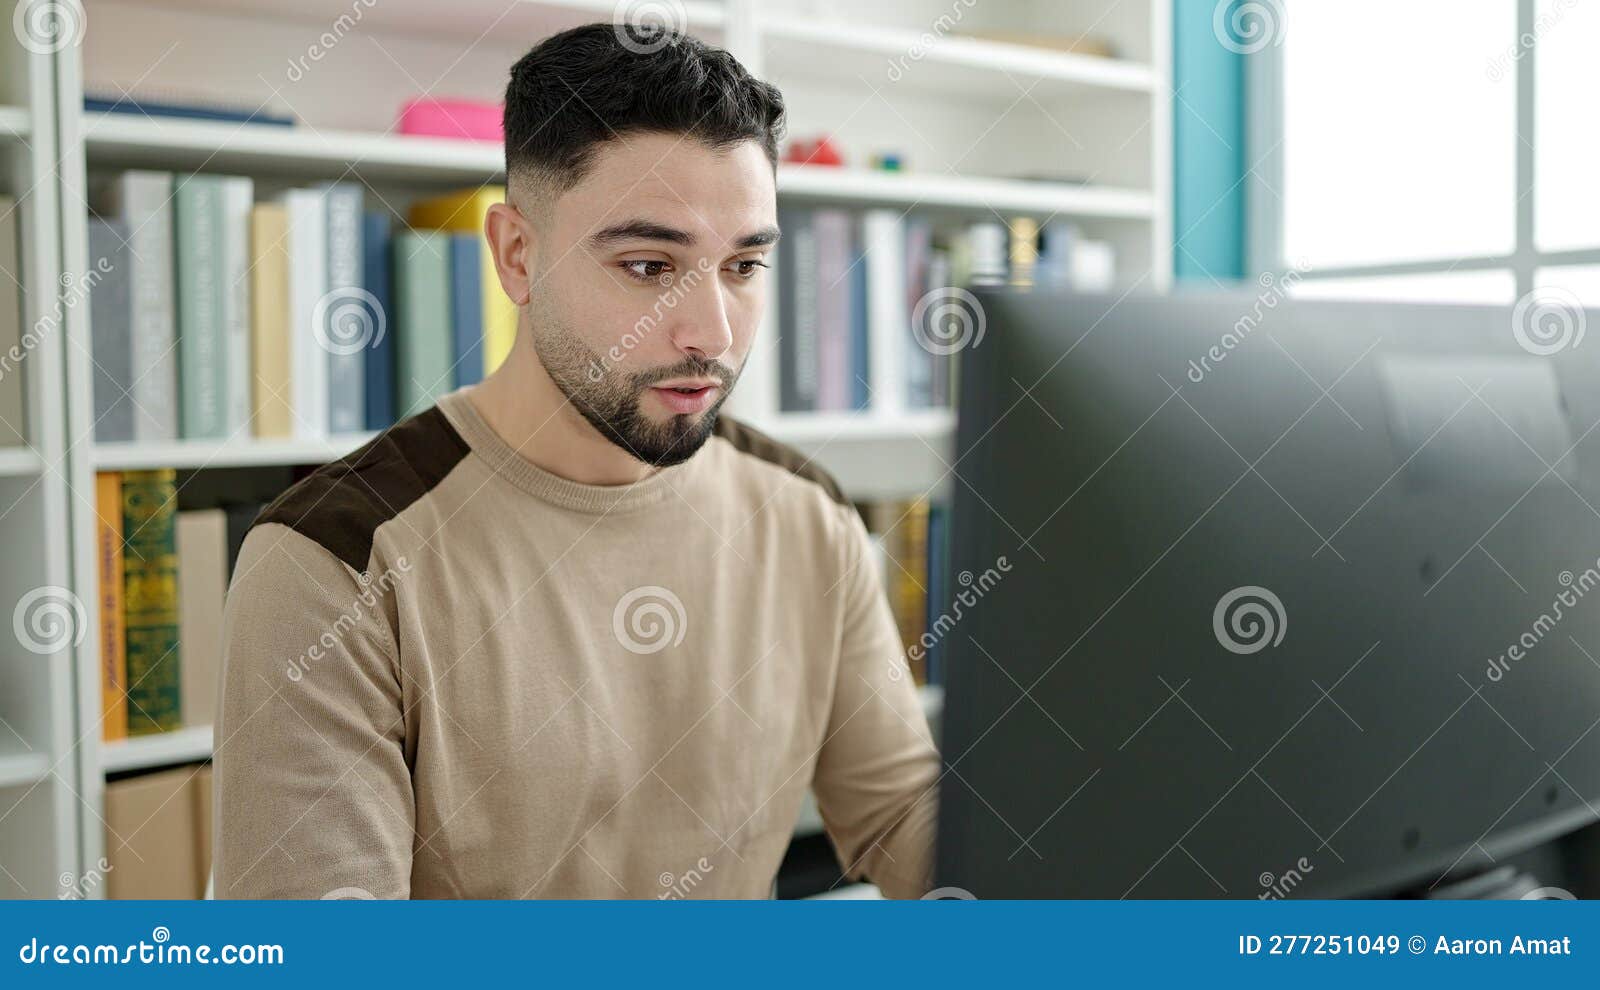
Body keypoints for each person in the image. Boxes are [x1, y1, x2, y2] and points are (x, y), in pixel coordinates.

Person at [213, 22, 938, 899]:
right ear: (517, 256)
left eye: (743, 266)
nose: (712, 334)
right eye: (649, 265)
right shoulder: (332, 560)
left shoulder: (806, 512)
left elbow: (900, 814)